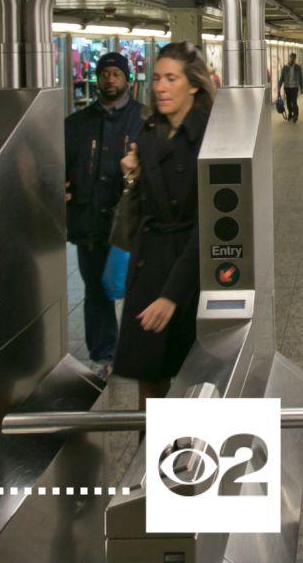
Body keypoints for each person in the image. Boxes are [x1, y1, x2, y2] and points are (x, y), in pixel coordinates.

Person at [114, 41, 215, 408]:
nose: (160, 87)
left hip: (188, 272)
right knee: (150, 381)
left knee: (196, 383)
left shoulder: (210, 137)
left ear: (193, 85)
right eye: (156, 78)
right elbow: (143, 209)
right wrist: (132, 176)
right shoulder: (147, 133)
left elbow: (208, 225)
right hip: (149, 265)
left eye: (171, 78)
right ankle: (151, 457)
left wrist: (172, 295)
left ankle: (189, 461)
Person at [64, 51, 144, 380]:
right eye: (104, 73)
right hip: (90, 223)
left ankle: (138, 349)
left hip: (130, 222)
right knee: (96, 290)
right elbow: (60, 164)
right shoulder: (76, 124)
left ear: (128, 80)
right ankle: (103, 354)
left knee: (138, 287)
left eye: (116, 73)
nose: (110, 79)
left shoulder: (143, 120)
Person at [278, 52, 303, 122]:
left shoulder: (298, 67)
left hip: (295, 87)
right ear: (289, 58)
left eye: (294, 58)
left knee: (294, 102)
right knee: (288, 102)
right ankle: (290, 114)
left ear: (295, 59)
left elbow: (301, 78)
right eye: (291, 58)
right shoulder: (285, 67)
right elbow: (281, 78)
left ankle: (295, 115)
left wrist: (301, 88)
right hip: (287, 87)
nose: (292, 59)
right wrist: (278, 88)